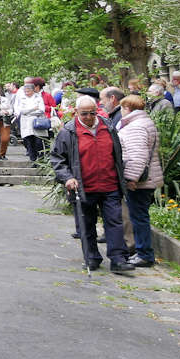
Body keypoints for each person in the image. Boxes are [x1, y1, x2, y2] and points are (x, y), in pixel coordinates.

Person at [49, 95, 134, 273]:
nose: (88, 117)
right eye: (84, 113)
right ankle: (92, 257)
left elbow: (118, 153)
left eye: (92, 113)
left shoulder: (108, 127)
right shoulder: (69, 131)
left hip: (110, 184)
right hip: (83, 186)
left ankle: (118, 259)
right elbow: (58, 158)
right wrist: (67, 177)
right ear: (76, 112)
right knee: (87, 224)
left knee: (115, 222)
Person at [118, 94, 161, 267]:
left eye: (122, 108)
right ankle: (143, 252)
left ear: (127, 108)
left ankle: (144, 254)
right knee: (139, 216)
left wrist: (131, 178)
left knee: (138, 217)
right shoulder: (144, 123)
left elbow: (137, 156)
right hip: (147, 178)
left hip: (140, 182)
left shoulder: (135, 127)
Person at [18, 80, 48, 163]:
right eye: (25, 91)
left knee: (38, 142)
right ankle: (33, 160)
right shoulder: (22, 98)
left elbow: (41, 110)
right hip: (26, 123)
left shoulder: (38, 98)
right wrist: (33, 109)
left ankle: (40, 159)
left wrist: (29, 112)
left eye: (28, 91)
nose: (26, 93)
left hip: (37, 122)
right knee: (29, 141)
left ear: (33, 90)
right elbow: (22, 111)